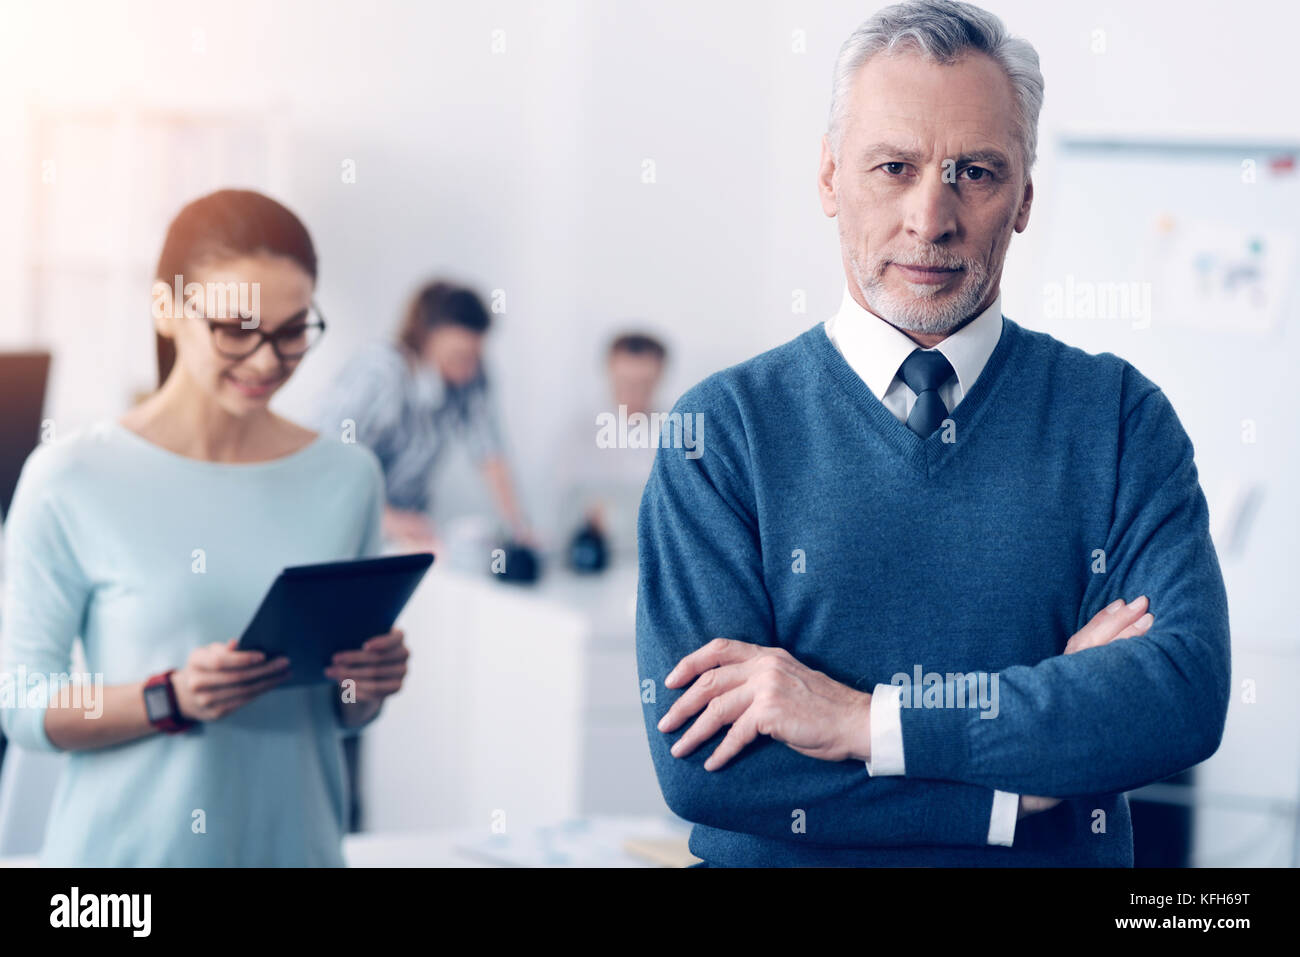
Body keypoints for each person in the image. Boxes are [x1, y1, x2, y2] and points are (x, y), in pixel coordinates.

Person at [636, 0, 1230, 867]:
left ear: (1024, 199)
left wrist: (865, 721)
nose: (930, 218)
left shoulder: (1119, 419)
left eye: (975, 172)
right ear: (830, 178)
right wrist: (1012, 791)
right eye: (893, 166)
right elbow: (709, 766)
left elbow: (1180, 696)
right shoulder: (719, 434)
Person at [0, 188, 410, 866]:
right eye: (236, 329)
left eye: (292, 331)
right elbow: (21, 704)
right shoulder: (70, 477)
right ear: (166, 308)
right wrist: (168, 698)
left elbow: (341, 713)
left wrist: (365, 687)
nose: (267, 360)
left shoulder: (348, 477)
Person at [317, 281, 530, 552]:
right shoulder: (379, 372)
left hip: (406, 534)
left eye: (475, 356)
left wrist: (519, 529)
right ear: (426, 338)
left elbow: (491, 455)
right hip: (347, 522)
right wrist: (388, 520)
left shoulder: (472, 378)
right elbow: (330, 459)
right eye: (459, 356)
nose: (469, 370)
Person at [555, 332, 668, 562]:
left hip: (660, 559)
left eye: (644, 384)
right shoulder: (581, 432)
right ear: (609, 372)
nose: (634, 394)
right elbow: (569, 509)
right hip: (598, 560)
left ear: (659, 376)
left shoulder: (676, 430)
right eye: (626, 383)